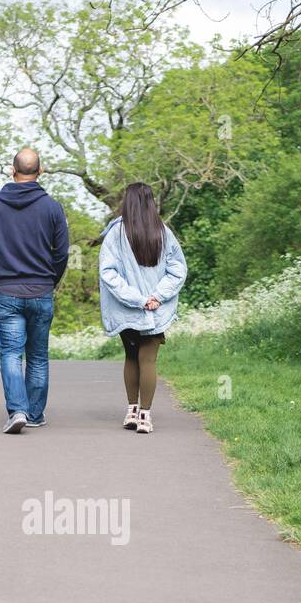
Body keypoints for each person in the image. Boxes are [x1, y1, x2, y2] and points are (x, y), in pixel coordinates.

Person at [0, 147, 69, 433]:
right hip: (41, 289)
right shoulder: (52, 207)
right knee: (37, 355)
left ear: (12, 171)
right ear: (41, 171)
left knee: (11, 353)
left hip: (7, 291)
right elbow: (61, 253)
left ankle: (17, 411)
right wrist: (52, 280)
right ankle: (35, 414)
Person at [99, 183, 187, 434]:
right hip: (155, 311)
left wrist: (136, 299)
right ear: (151, 203)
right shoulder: (164, 232)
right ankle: (145, 417)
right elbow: (178, 269)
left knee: (130, 357)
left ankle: (131, 410)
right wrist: (156, 298)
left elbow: (108, 272)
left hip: (127, 310)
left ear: (126, 203)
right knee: (148, 360)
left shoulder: (115, 234)